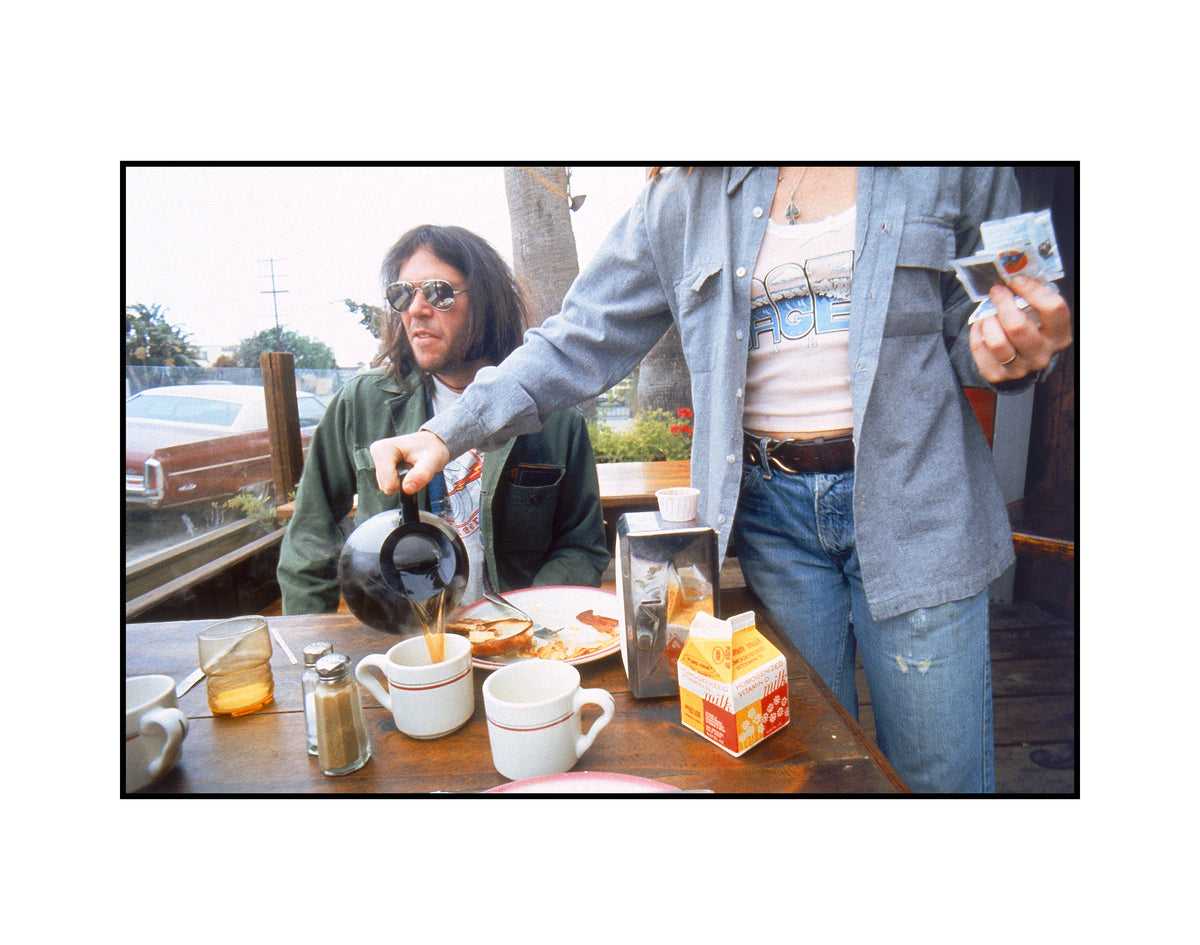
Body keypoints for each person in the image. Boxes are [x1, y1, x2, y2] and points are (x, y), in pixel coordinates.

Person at [368, 168, 1074, 793]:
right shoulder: (682, 194)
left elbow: (980, 325)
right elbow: (576, 337)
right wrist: (445, 429)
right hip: (772, 524)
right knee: (807, 767)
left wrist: (1014, 346)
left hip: (923, 507)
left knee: (939, 780)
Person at [276, 224, 610, 615]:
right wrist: (308, 649)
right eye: (402, 294)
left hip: (520, 640)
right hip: (404, 639)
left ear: (486, 301)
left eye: (439, 292)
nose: (417, 308)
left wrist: (534, 621)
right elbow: (309, 539)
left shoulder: (553, 415)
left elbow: (581, 544)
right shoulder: (362, 403)